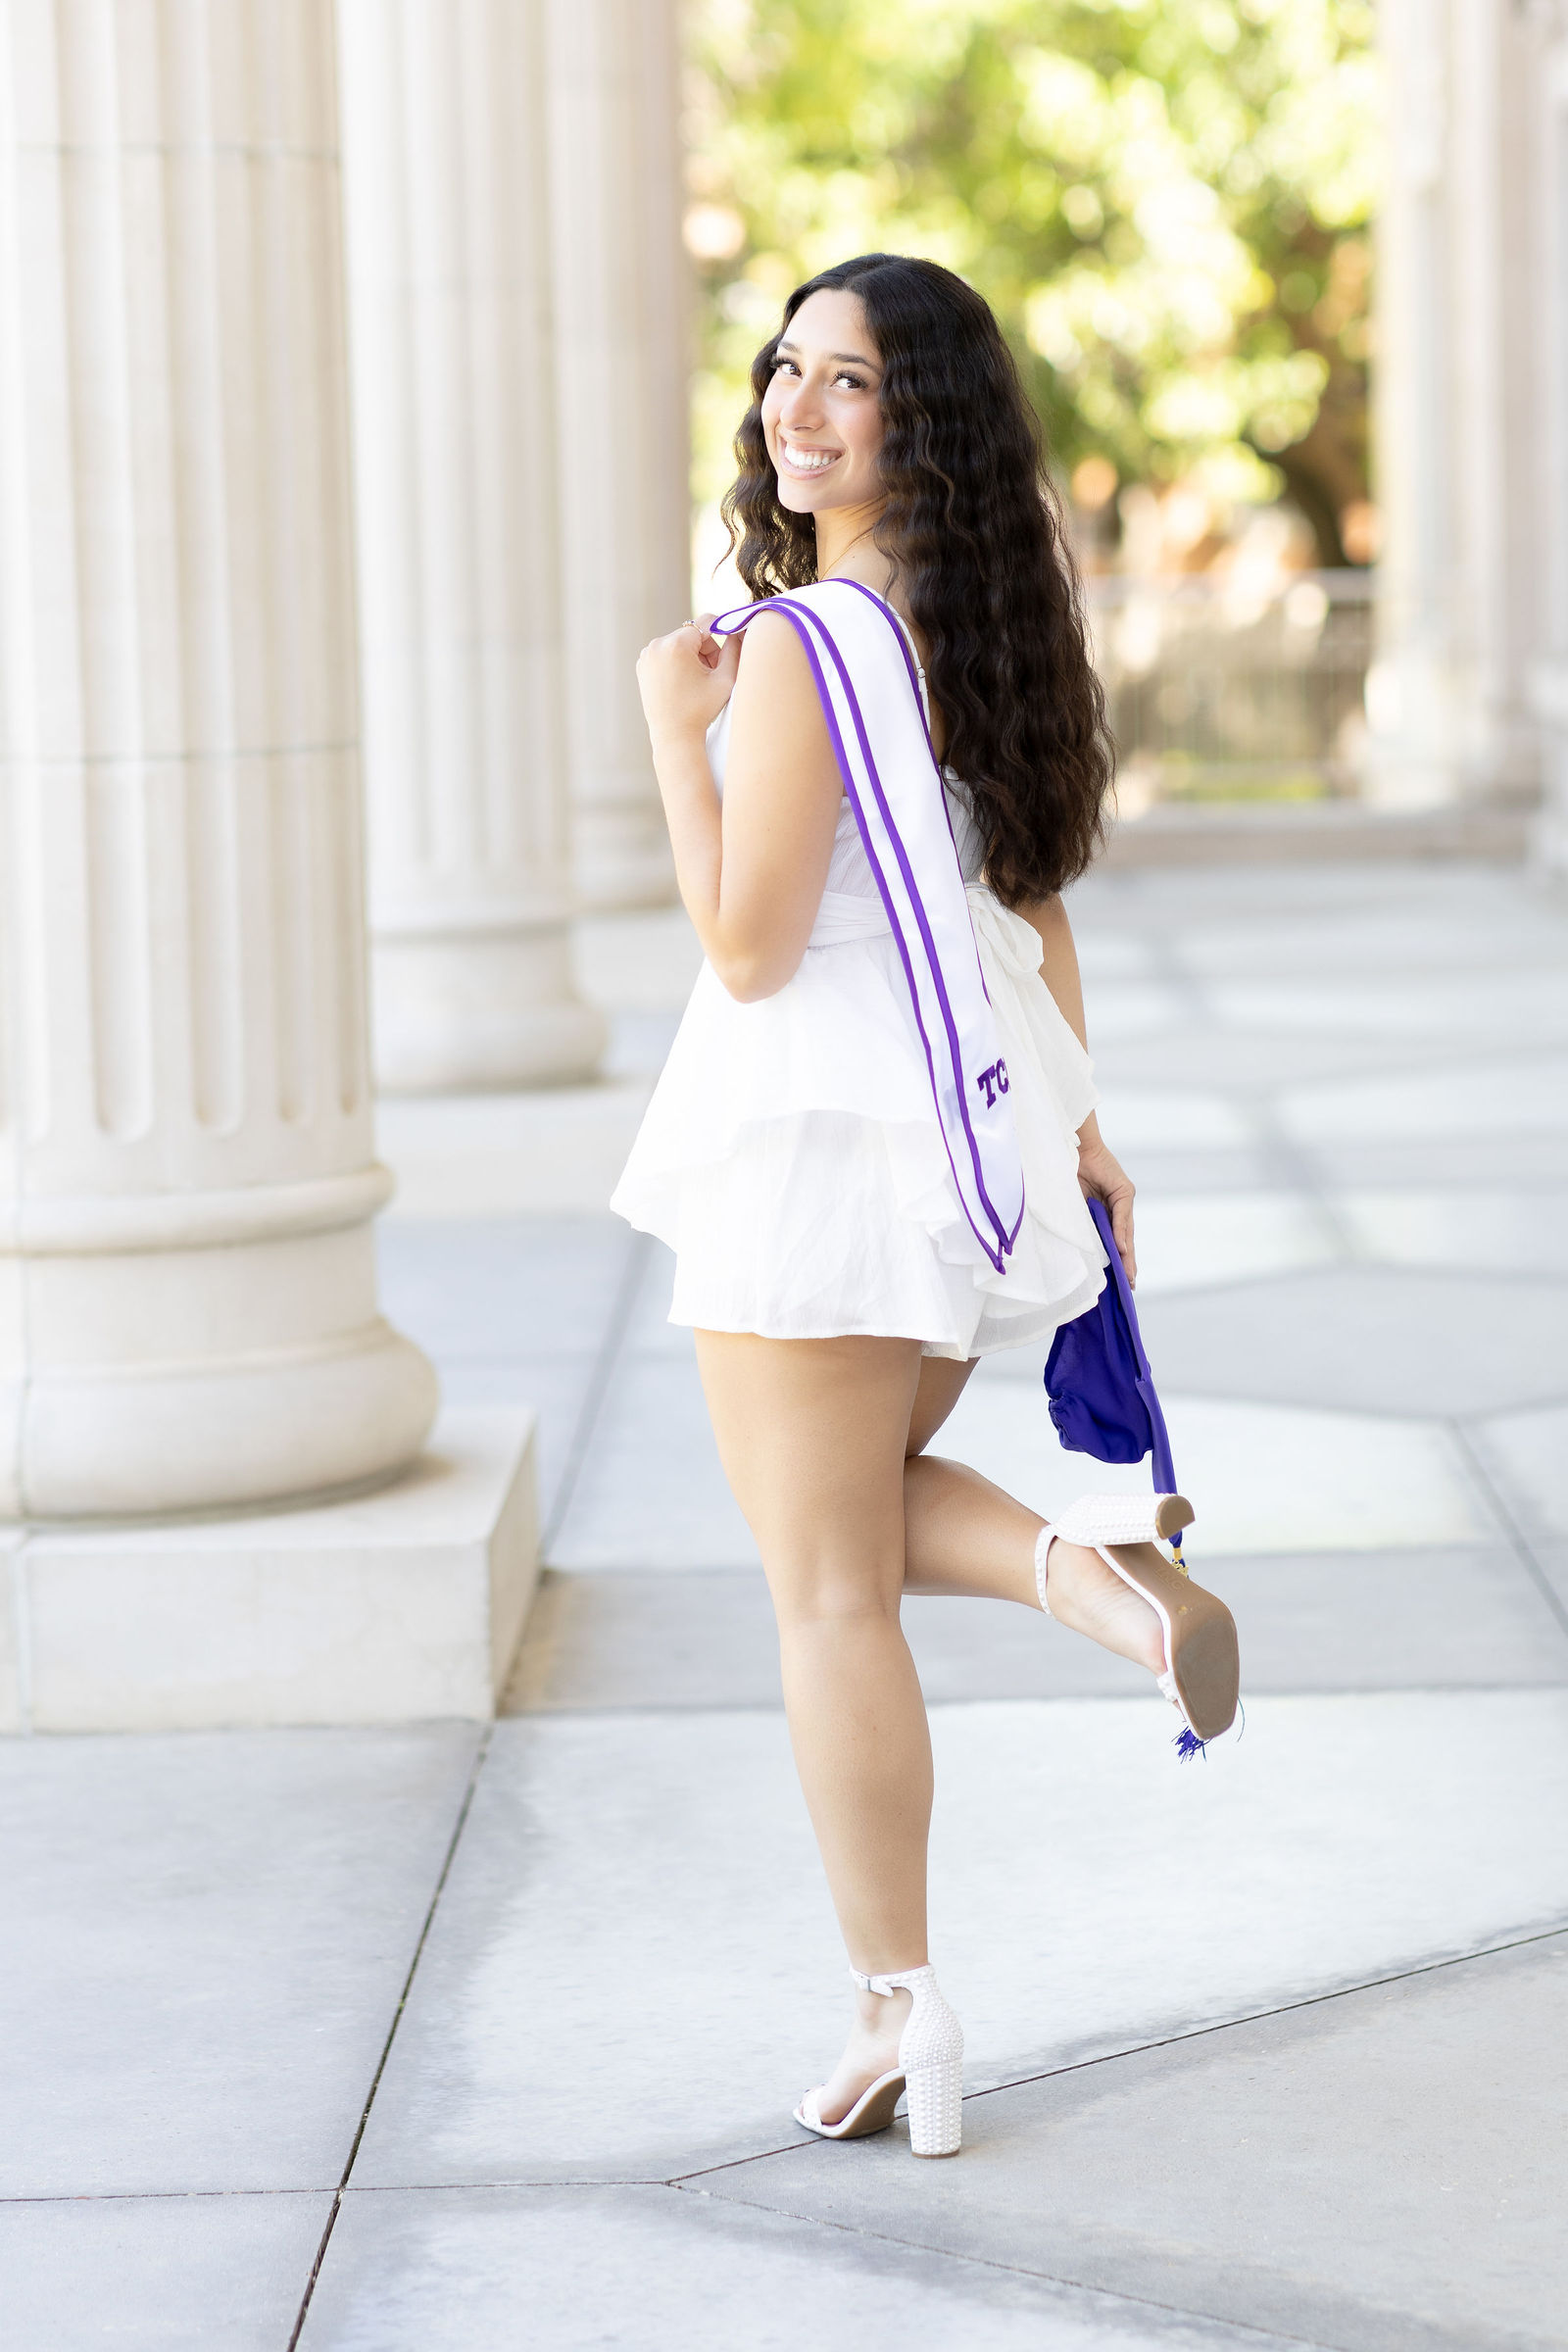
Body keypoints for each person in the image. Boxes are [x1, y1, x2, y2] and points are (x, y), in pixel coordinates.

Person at [613, 253, 1239, 2159]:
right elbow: (1025, 902)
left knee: (821, 1590)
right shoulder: (976, 632)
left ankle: (903, 2005)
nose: (796, 411)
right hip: (960, 1146)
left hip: (816, 1141)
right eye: (786, 368)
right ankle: (1091, 1579)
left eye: (851, 384)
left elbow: (746, 948)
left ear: (922, 424)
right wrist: (1078, 1122)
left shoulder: (806, 648)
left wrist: (670, 730)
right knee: (852, 1521)